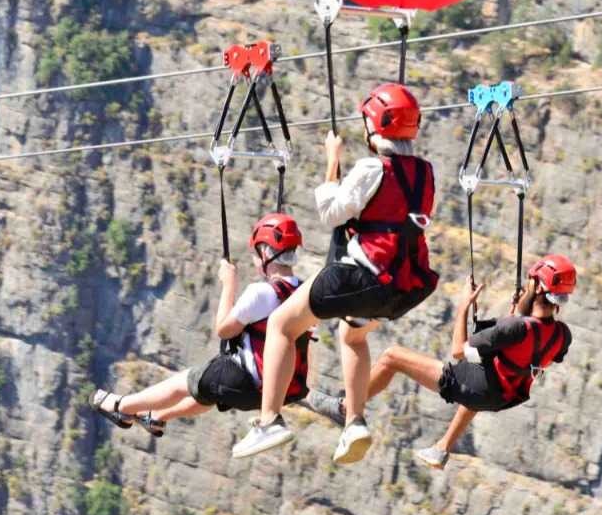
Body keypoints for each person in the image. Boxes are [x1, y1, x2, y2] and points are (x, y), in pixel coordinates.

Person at [232, 83, 440, 464]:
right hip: (402, 286)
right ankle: (354, 422)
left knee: (281, 324)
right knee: (353, 335)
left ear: (374, 123)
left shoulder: (371, 167)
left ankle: (268, 420)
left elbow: (330, 214)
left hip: (358, 276)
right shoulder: (426, 173)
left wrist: (332, 160)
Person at [304, 254, 577, 469]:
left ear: (538, 286)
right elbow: (528, 343)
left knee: (391, 357)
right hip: (503, 395)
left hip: (481, 386)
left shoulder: (516, 328)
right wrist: (515, 316)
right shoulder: (563, 336)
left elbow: (459, 351)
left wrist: (462, 309)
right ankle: (442, 448)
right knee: (481, 374)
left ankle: (346, 409)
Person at [92, 214, 312, 435]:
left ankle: (121, 406)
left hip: (246, 383)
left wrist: (229, 284)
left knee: (187, 381)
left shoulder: (261, 292)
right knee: (207, 388)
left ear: (265, 253)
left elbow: (224, 329)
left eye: (255, 253)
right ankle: (157, 417)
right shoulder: (303, 293)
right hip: (282, 392)